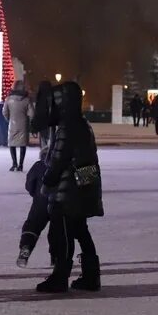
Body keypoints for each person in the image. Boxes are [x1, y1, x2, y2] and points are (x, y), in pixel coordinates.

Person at [37, 81, 103, 293]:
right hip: (82, 185)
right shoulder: (82, 124)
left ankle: (60, 276)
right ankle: (91, 276)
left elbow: (59, 158)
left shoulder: (68, 127)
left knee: (63, 232)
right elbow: (86, 159)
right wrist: (86, 188)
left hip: (68, 190)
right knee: (80, 230)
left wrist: (47, 179)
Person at [17, 147, 54, 267]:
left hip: (40, 203)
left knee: (32, 226)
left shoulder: (38, 165)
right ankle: (56, 257)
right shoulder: (65, 165)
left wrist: (36, 195)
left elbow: (29, 184)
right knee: (57, 231)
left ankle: (26, 247)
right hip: (60, 204)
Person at [3, 80, 34, 171]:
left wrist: (9, 119)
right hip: (23, 124)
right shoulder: (27, 100)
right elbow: (32, 113)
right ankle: (21, 165)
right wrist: (29, 121)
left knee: (12, 144)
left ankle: (14, 163)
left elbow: (4, 112)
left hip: (12, 124)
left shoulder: (8, 99)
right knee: (23, 145)